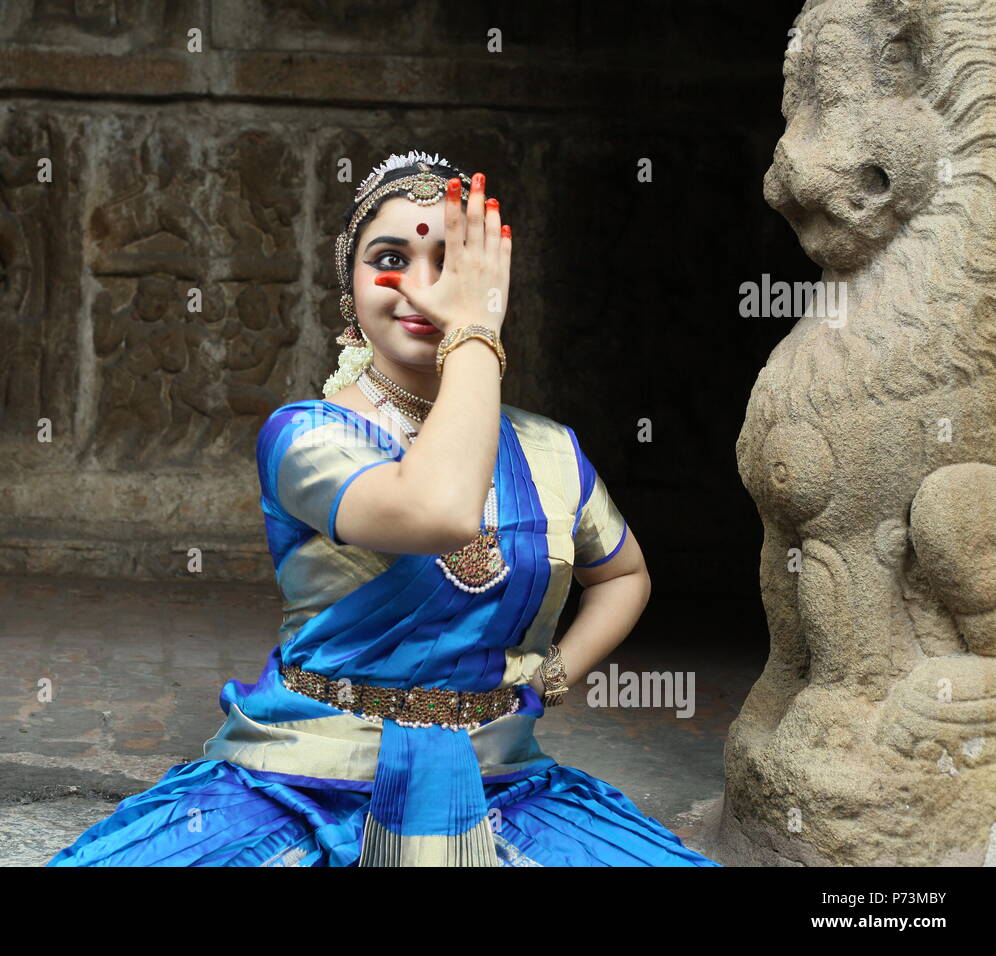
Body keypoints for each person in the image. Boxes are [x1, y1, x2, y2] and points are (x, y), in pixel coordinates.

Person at [47, 149, 721, 867]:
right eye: (391, 259)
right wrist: (476, 333)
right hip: (305, 779)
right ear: (351, 289)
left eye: (450, 263)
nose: (425, 290)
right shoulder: (307, 436)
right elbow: (439, 511)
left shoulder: (549, 448)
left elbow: (623, 575)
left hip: (497, 782)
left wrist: (550, 675)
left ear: (489, 280)